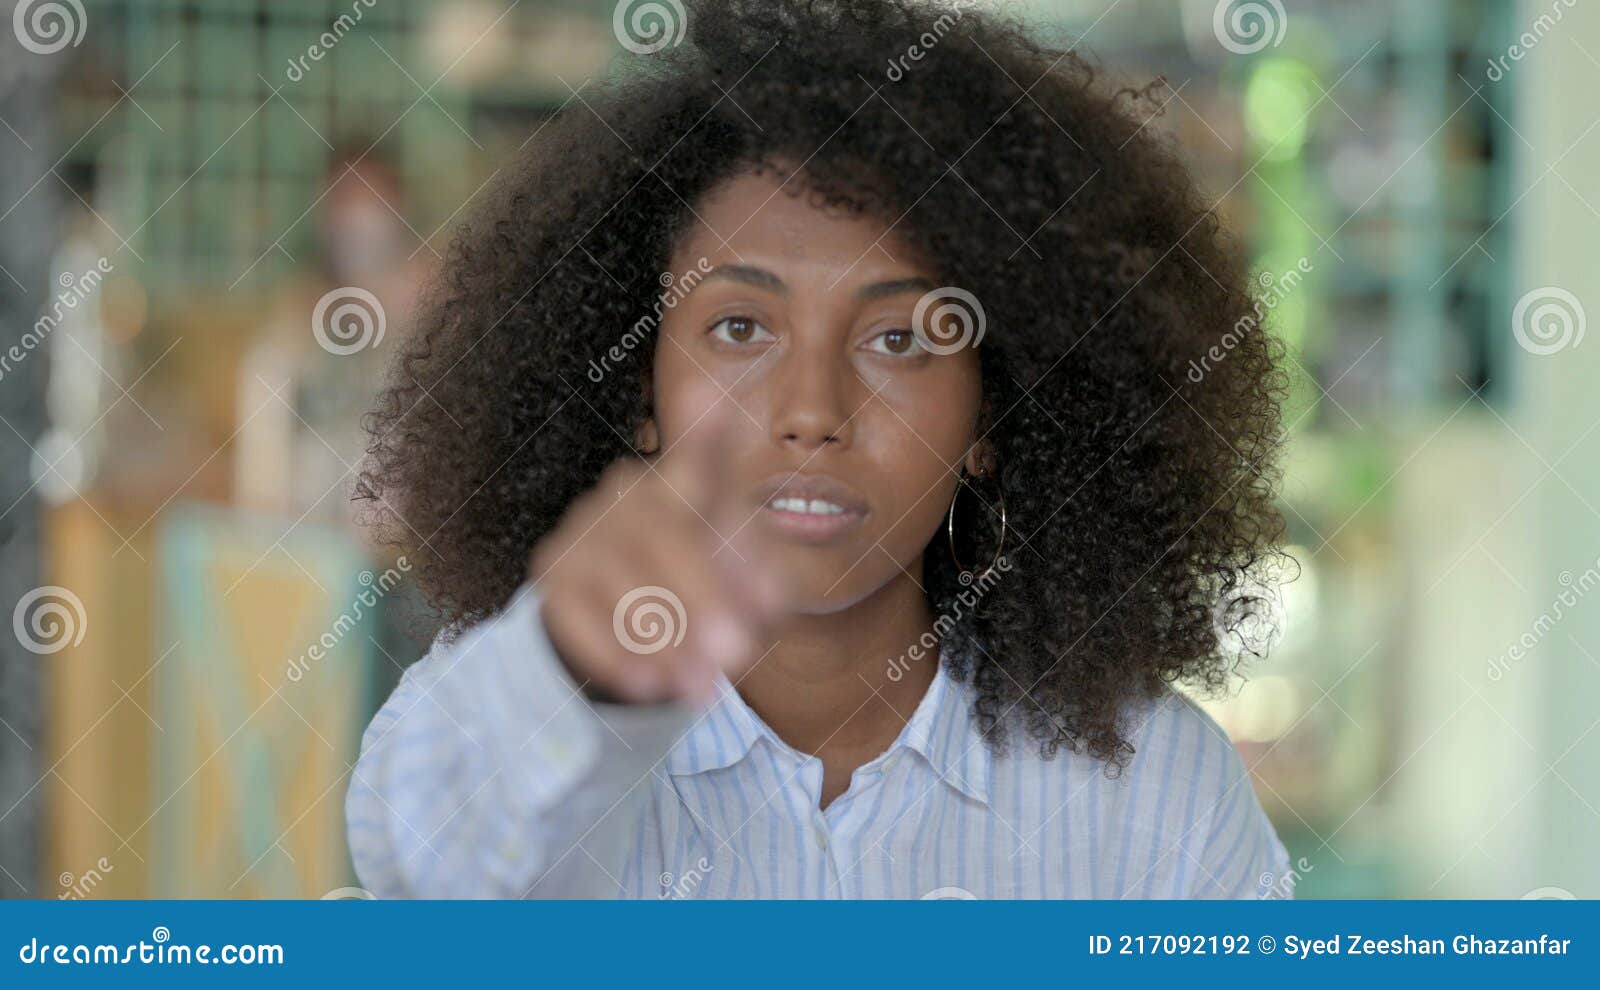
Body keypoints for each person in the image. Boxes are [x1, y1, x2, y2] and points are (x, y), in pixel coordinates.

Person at [344, 0, 1293, 899]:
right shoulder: (517, 720)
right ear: (643, 397)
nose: (811, 411)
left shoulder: (1160, 801)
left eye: (899, 340)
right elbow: (419, 861)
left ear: (993, 424)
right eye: (741, 328)